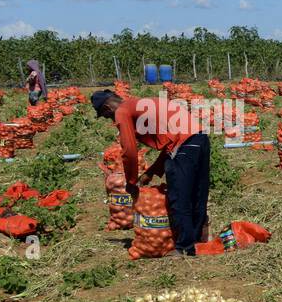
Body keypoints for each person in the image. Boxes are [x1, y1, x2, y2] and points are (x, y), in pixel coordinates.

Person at [90, 90, 211, 257]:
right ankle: (197, 239)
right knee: (197, 192)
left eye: (106, 116)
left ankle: (184, 247)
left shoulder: (122, 111)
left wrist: (131, 181)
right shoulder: (140, 103)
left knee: (179, 196)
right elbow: (171, 141)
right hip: (200, 138)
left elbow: (129, 150)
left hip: (182, 145)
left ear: (107, 107)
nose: (111, 120)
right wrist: (152, 172)